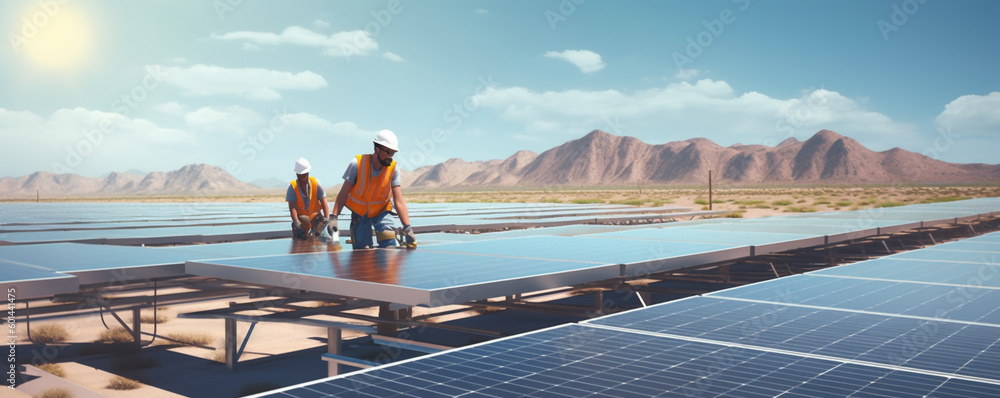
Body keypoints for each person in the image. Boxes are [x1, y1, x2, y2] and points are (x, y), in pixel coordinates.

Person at [331, 130, 416, 249]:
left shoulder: (393, 169)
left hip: (382, 212)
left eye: (393, 153)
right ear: (377, 149)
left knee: (389, 243)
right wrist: (333, 217)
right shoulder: (357, 164)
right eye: (388, 152)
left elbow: (399, 200)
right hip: (360, 214)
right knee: (363, 253)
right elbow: (343, 194)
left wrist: (407, 228)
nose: (390, 157)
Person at [287, 157, 331, 240]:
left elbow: (324, 201)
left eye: (306, 174)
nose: (305, 177)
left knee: (326, 237)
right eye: (302, 175)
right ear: (297, 174)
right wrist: (296, 222)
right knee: (301, 234)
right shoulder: (292, 187)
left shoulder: (315, 183)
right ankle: (300, 232)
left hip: (316, 219)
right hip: (302, 221)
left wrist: (326, 219)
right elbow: (292, 208)